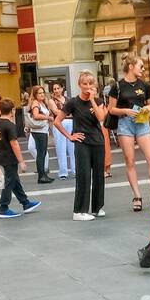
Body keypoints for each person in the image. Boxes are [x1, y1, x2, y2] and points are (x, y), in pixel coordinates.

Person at [108, 54, 150, 212]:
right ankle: (137, 196)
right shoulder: (117, 86)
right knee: (130, 161)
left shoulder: (144, 85)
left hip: (142, 123)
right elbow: (111, 109)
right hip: (125, 123)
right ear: (131, 67)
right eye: (141, 66)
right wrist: (125, 110)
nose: (143, 69)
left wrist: (147, 108)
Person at [53, 71, 107, 222]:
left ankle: (97, 207)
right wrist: (70, 136)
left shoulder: (98, 100)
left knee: (98, 175)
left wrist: (92, 100)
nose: (88, 86)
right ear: (79, 84)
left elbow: (101, 117)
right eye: (85, 83)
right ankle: (79, 210)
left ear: (95, 85)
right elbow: (57, 121)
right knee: (84, 176)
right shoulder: (72, 102)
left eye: (91, 83)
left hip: (98, 141)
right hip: (82, 142)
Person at [0, 102, 41, 220]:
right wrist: (21, 161)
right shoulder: (10, 125)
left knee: (14, 181)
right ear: (12, 110)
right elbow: (14, 144)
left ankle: (25, 203)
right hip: (9, 158)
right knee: (8, 182)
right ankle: (3, 208)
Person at [25, 85, 55, 185]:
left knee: (42, 153)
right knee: (41, 154)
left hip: (42, 130)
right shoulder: (35, 103)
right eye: (39, 93)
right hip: (39, 131)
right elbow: (36, 115)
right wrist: (48, 117)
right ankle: (41, 176)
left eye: (43, 92)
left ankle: (43, 175)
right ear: (35, 94)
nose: (42, 94)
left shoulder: (41, 103)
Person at [49, 81, 75, 181]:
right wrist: (69, 114)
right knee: (61, 148)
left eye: (58, 88)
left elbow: (74, 112)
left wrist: (66, 114)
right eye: (54, 89)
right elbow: (56, 112)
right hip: (59, 123)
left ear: (62, 88)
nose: (56, 90)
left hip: (71, 123)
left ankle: (75, 170)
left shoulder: (68, 99)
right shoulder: (52, 101)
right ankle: (63, 172)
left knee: (72, 147)